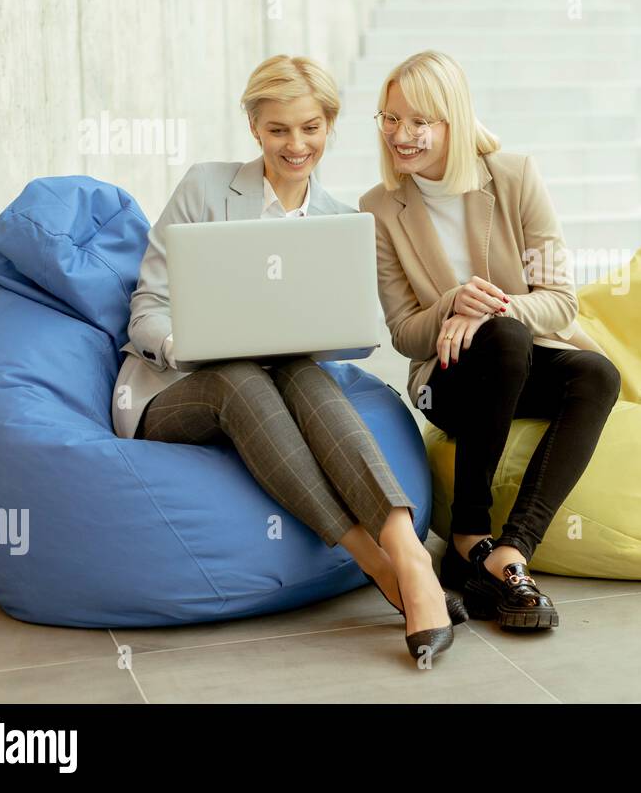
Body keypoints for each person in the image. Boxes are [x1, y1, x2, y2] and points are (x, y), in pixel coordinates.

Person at [113, 54, 461, 665]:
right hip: (173, 391)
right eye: (278, 130)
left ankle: (405, 552)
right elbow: (146, 310)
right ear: (255, 128)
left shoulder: (338, 222)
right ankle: (378, 560)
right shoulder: (204, 188)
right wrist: (187, 346)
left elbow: (353, 334)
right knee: (241, 378)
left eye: (310, 128)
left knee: (301, 371)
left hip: (282, 383)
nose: (295, 145)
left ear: (329, 125)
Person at [359, 50, 621, 631]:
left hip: (521, 358)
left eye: (419, 121)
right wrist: (452, 306)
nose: (401, 135)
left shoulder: (516, 176)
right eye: (390, 118)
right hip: (447, 383)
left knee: (598, 375)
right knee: (502, 338)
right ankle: (467, 533)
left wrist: (486, 308)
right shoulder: (378, 209)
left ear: (453, 119)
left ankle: (511, 550)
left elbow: (560, 298)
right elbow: (404, 333)